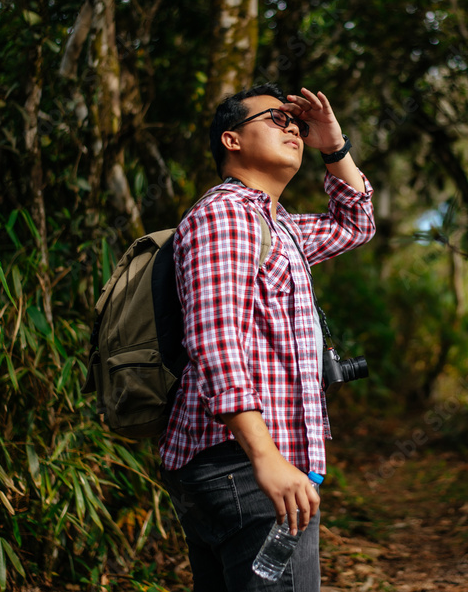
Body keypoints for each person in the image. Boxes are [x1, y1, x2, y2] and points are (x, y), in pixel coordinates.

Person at [159, 83, 375, 591]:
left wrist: (334, 147)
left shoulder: (277, 226)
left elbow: (356, 224)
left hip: (243, 467)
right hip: (244, 466)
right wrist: (266, 459)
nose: (292, 127)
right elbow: (214, 342)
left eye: (294, 123)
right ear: (231, 140)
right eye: (275, 119)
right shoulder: (226, 214)